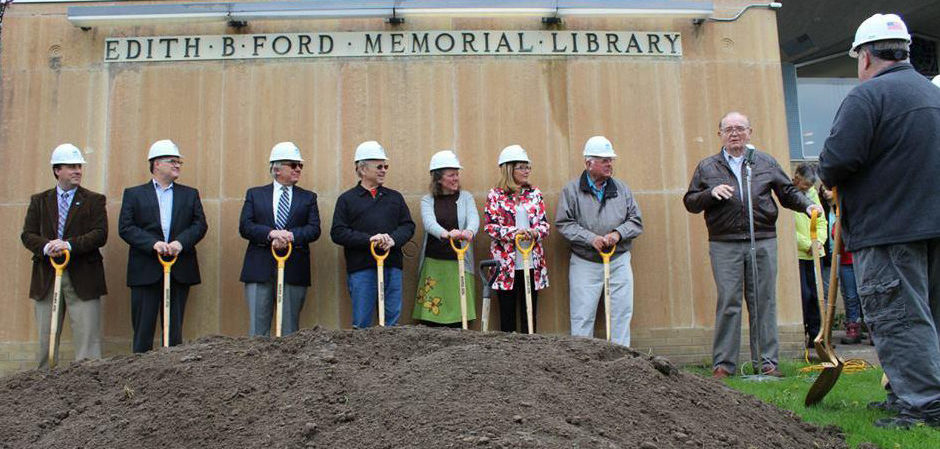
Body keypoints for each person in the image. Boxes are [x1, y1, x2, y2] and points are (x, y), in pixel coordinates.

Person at [818, 13, 940, 429]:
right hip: (931, 225)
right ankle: (905, 393)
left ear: (866, 57)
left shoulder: (867, 97)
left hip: (890, 229)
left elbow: (836, 161)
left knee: (898, 319)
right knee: (927, 316)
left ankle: (923, 407)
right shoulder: (931, 93)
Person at [683, 112, 820, 379]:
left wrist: (808, 205)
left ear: (750, 132)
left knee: (764, 301)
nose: (734, 133)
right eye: (729, 129)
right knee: (729, 302)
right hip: (725, 244)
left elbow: (787, 192)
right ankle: (723, 364)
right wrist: (710, 194)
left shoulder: (765, 162)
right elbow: (690, 201)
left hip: (763, 239)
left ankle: (767, 362)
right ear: (719, 134)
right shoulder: (707, 167)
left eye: (740, 129)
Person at [20, 143, 107, 369]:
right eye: (71, 166)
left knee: (87, 343)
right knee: (45, 340)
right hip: (46, 277)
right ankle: (43, 384)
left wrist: (68, 245)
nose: (78, 170)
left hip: (84, 277)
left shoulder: (94, 200)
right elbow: (27, 235)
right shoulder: (39, 201)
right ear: (57, 170)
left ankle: (88, 383)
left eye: (79, 166)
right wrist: (48, 247)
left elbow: (99, 234)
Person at [118, 139, 207, 353]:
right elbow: (126, 228)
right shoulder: (134, 194)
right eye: (172, 161)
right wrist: (153, 244)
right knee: (143, 331)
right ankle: (140, 372)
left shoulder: (189, 194)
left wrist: (180, 243)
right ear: (156, 164)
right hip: (145, 270)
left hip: (178, 269)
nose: (177, 165)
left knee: (174, 331)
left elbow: (200, 225)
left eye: (179, 162)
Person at [556, 136, 643, 346]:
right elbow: (564, 223)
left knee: (621, 314)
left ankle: (621, 360)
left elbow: (636, 220)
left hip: (618, 259)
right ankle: (582, 363)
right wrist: (590, 238)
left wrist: (618, 234)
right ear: (589, 163)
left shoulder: (622, 189)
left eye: (610, 160)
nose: (609, 164)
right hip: (584, 261)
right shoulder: (571, 190)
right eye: (604, 160)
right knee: (582, 315)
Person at [239, 142, 320, 336]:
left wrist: (291, 236)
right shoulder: (255, 194)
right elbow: (246, 226)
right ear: (277, 168)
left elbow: (314, 229)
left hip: (294, 268)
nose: (298, 169)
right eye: (293, 165)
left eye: (300, 165)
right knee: (258, 331)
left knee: (289, 330)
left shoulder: (308, 197)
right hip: (259, 268)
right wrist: (271, 234)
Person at [331, 141, 415, 328]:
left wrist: (392, 240)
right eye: (379, 166)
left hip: (392, 265)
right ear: (362, 169)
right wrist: (369, 240)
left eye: (385, 166)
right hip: (362, 268)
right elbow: (338, 232)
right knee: (362, 322)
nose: (383, 170)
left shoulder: (395, 198)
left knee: (392, 320)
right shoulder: (347, 199)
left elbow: (408, 226)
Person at [483, 144, 550, 334]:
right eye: (521, 167)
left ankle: (531, 351)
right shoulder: (495, 195)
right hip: (505, 265)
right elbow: (490, 226)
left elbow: (545, 224)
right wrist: (516, 234)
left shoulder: (535, 194)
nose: (526, 171)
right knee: (507, 314)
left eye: (527, 166)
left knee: (529, 313)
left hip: (531, 262)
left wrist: (535, 232)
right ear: (509, 168)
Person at [412, 150, 479, 327]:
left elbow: (473, 218)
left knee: (460, 311)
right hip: (434, 263)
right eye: (451, 175)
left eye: (457, 174)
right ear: (439, 178)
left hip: (460, 261)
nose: (456, 178)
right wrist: (447, 234)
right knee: (432, 315)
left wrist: (469, 231)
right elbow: (429, 223)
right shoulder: (427, 200)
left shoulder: (466, 197)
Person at [792, 163, 827, 349]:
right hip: (799, 254)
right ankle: (803, 331)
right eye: (804, 185)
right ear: (796, 177)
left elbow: (822, 222)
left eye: (808, 186)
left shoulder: (813, 195)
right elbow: (787, 226)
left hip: (816, 253)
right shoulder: (789, 195)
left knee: (816, 295)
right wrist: (807, 245)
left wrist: (819, 241)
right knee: (804, 295)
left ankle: (817, 336)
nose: (806, 188)